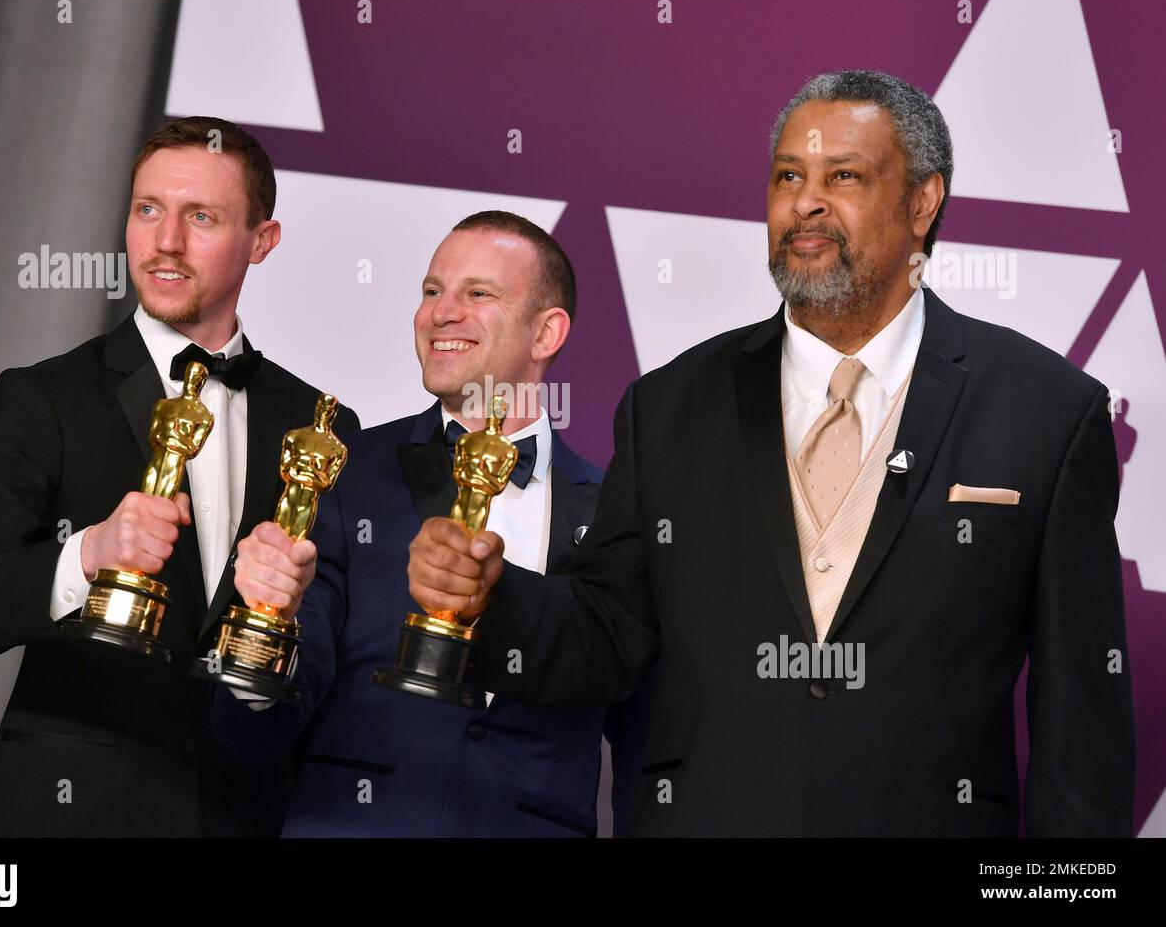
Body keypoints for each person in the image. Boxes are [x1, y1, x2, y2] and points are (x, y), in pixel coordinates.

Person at [405, 71, 1135, 836]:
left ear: (923, 202)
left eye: (843, 176)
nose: (805, 203)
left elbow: (1080, 725)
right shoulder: (668, 406)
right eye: (788, 176)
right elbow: (606, 637)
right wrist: (492, 596)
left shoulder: (1045, 411)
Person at [0, 116, 358, 836]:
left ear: (262, 241)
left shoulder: (323, 429)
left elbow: (322, 671)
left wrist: (276, 625)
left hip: (239, 815)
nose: (166, 242)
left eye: (202, 217)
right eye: (148, 209)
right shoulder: (46, 397)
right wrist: (88, 554)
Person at [214, 211, 646, 837]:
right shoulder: (344, 470)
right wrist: (261, 632)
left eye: (478, 293)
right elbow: (254, 728)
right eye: (431, 290)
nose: (442, 312)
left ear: (547, 332)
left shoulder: (615, 511)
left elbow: (644, 737)